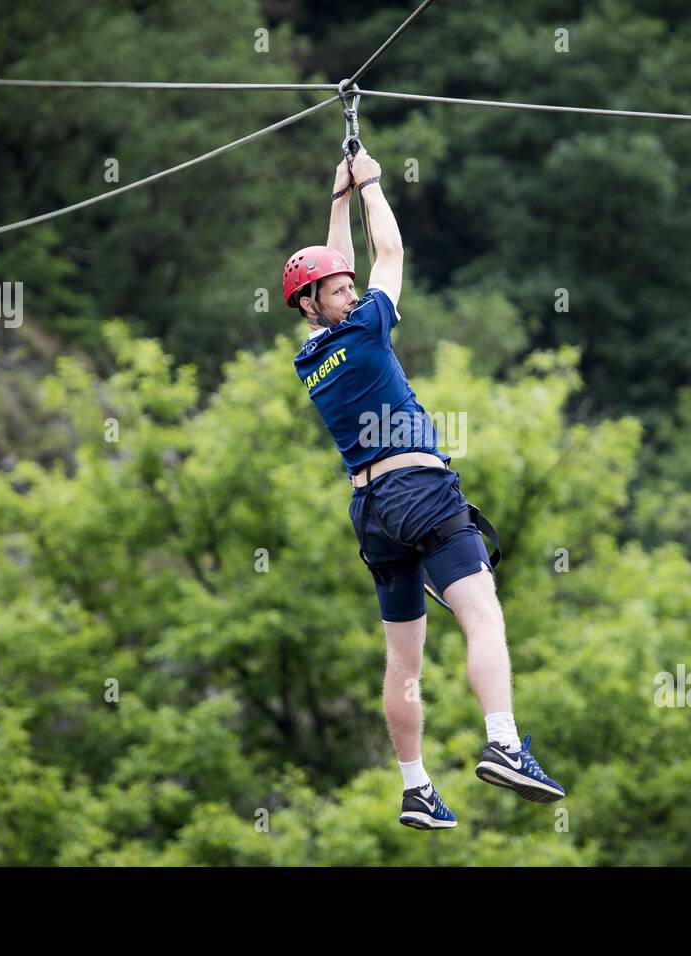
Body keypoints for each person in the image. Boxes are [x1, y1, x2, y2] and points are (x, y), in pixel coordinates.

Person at [283, 146, 566, 830]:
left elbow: (336, 264)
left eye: (350, 288)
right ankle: (503, 744)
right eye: (339, 291)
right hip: (420, 490)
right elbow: (391, 251)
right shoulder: (369, 327)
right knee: (483, 616)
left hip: (372, 512)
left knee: (402, 657)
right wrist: (373, 184)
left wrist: (336, 196)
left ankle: (416, 787)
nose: (352, 292)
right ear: (315, 305)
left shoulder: (312, 355)